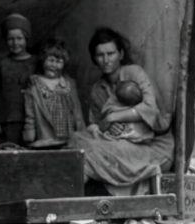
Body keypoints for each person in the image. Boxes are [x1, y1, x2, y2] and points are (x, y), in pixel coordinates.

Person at [69, 26, 174, 196]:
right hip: (118, 143)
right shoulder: (98, 89)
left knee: (87, 154)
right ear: (94, 59)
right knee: (76, 139)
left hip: (152, 146)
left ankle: (85, 195)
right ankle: (75, 196)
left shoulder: (134, 73)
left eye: (111, 54)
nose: (106, 60)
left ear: (121, 55)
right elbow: (96, 124)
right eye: (100, 55)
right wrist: (107, 127)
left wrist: (114, 117)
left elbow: (150, 109)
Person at [22, 38, 84, 146]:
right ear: (43, 60)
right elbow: (30, 112)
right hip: (46, 135)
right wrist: (29, 132)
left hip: (68, 135)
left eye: (59, 62)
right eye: (50, 60)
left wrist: (81, 132)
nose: (54, 65)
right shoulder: (35, 85)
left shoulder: (68, 84)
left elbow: (77, 112)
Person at [0, 13, 35, 146]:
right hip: (7, 120)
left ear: (26, 39)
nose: (15, 43)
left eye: (19, 38)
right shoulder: (1, 64)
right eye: (11, 39)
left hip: (31, 120)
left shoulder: (36, 62)